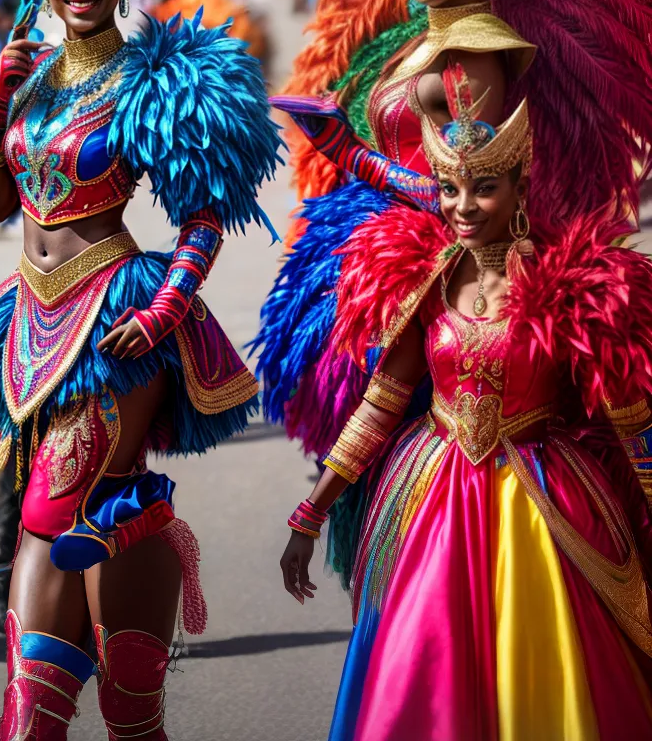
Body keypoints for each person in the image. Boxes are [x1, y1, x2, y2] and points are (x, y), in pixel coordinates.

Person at [0, 0, 282, 739]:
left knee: (52, 507)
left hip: (113, 317)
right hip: (28, 316)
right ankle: (99, 690)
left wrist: (168, 309)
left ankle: (118, 655)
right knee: (64, 514)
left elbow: (206, 212)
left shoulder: (151, 77)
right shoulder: (32, 79)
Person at [255, 0, 652, 463]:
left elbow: (473, 190)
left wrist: (348, 152)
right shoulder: (425, 41)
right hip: (384, 250)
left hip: (437, 273)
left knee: (414, 460)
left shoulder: (473, 58)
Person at [278, 83, 652, 739]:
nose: (463, 206)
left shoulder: (569, 286)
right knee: (425, 662)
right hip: (433, 498)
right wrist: (311, 512)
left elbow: (632, 422)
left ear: (519, 189)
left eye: (483, 189)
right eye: (450, 189)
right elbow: (380, 407)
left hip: (544, 506)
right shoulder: (427, 281)